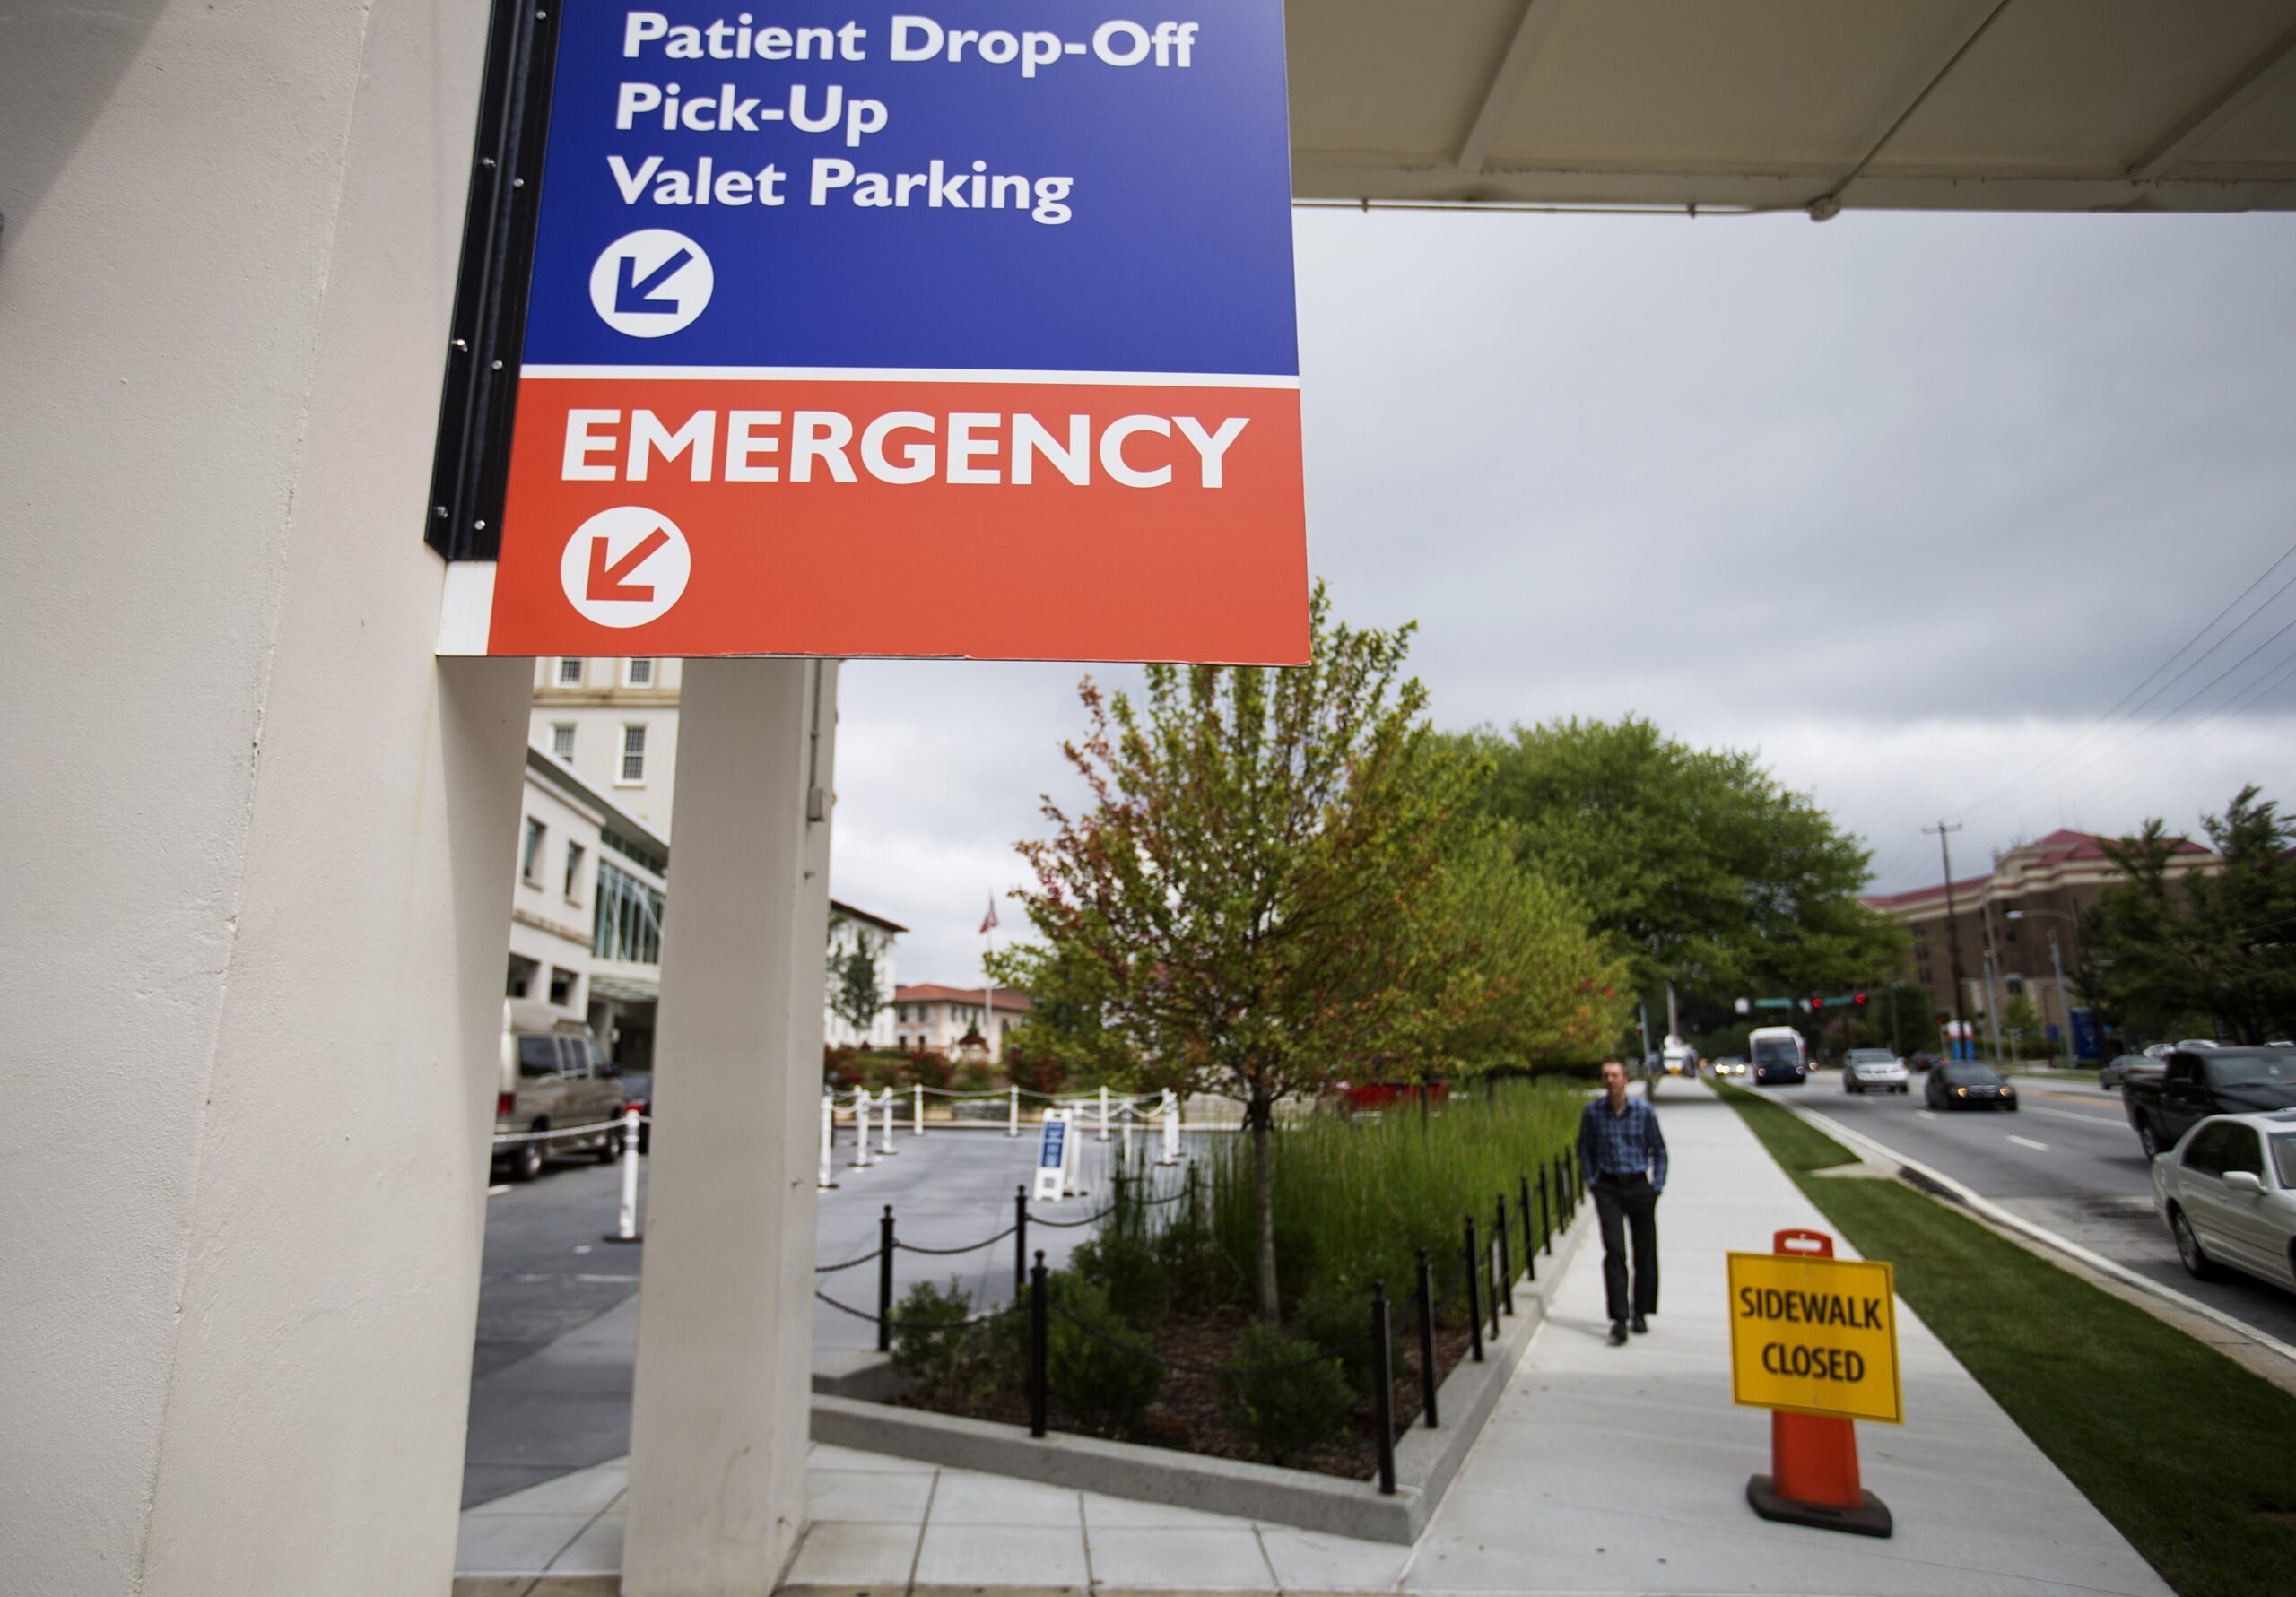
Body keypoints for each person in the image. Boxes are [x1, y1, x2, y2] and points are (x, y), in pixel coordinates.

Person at [1578, 1058, 1666, 1347]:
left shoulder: (1643, 1112)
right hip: (1608, 1187)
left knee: (1644, 1252)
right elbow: (1585, 1148)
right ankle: (1618, 1318)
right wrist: (1591, 1179)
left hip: (1639, 1185)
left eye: (1615, 1075)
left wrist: (1656, 1186)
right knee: (1615, 1252)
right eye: (1606, 1076)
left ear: (1625, 1079)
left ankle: (1640, 1311)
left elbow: (1659, 1151)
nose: (1611, 1080)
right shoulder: (1593, 1112)